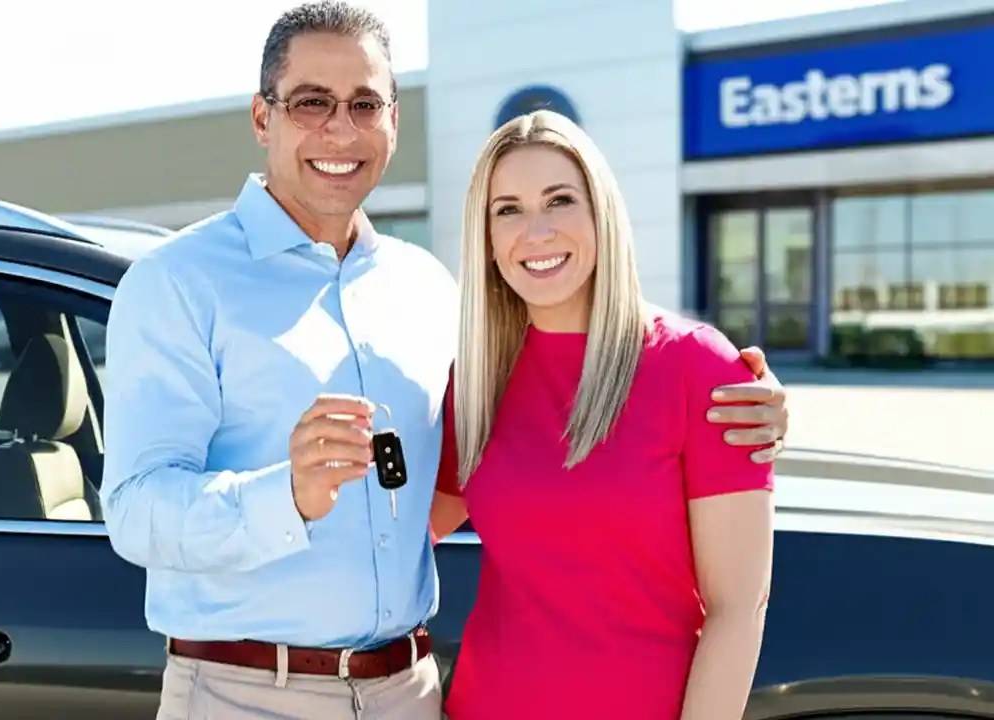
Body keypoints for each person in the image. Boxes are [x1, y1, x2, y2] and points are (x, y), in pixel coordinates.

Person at [101, 3, 787, 719]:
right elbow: (135, 511)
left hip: (410, 693)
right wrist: (285, 496)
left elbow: (437, 497)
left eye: (365, 103)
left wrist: (747, 406)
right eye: (312, 102)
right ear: (261, 116)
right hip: (246, 695)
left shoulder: (426, 291)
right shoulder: (178, 281)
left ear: (394, 119)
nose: (341, 128)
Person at [428, 109, 776, 720]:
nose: (535, 231)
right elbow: (399, 536)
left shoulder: (698, 366)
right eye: (506, 209)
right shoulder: (477, 382)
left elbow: (738, 608)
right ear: (484, 238)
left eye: (558, 200)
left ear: (601, 211)